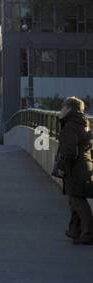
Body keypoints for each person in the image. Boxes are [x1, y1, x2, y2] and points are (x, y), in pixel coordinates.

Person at [56, 97, 93, 244]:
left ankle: (88, 234)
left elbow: (70, 152)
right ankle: (75, 231)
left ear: (70, 109)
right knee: (75, 199)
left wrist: (62, 168)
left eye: (63, 107)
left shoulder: (70, 126)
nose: (61, 110)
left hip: (76, 168)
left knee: (77, 200)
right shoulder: (85, 123)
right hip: (85, 165)